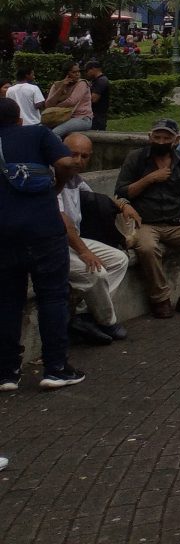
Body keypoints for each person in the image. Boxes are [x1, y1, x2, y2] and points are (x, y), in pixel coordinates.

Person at [0, 97, 84, 389]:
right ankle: (55, 368)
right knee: (52, 296)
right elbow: (67, 162)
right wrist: (55, 186)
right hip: (43, 229)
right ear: (19, 119)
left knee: (8, 300)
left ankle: (7, 372)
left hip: (4, 234)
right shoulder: (36, 133)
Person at [114, 119, 180, 319]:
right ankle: (160, 298)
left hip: (176, 222)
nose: (161, 141)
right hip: (145, 223)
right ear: (150, 137)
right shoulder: (136, 158)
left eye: (166, 138)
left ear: (175, 140)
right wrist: (150, 178)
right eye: (157, 137)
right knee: (148, 248)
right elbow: (122, 192)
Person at [53, 134, 131, 344]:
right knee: (96, 273)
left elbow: (100, 198)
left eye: (84, 156)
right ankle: (106, 321)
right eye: (73, 154)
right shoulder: (53, 176)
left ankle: (85, 315)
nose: (78, 161)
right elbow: (63, 223)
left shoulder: (75, 179)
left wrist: (124, 205)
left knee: (119, 259)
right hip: (55, 244)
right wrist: (85, 252)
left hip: (74, 240)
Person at [42, 63, 93, 137]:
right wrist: (62, 87)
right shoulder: (57, 85)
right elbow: (48, 104)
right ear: (66, 73)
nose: (77, 74)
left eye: (78, 72)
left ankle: (58, 148)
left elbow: (72, 101)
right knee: (39, 130)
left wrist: (55, 106)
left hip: (81, 118)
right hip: (58, 118)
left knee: (55, 133)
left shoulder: (82, 83)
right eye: (74, 72)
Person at [82, 60, 110, 132]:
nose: (86, 73)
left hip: (98, 116)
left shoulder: (101, 81)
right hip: (94, 115)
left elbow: (94, 99)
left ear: (93, 69)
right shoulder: (96, 80)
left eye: (87, 71)